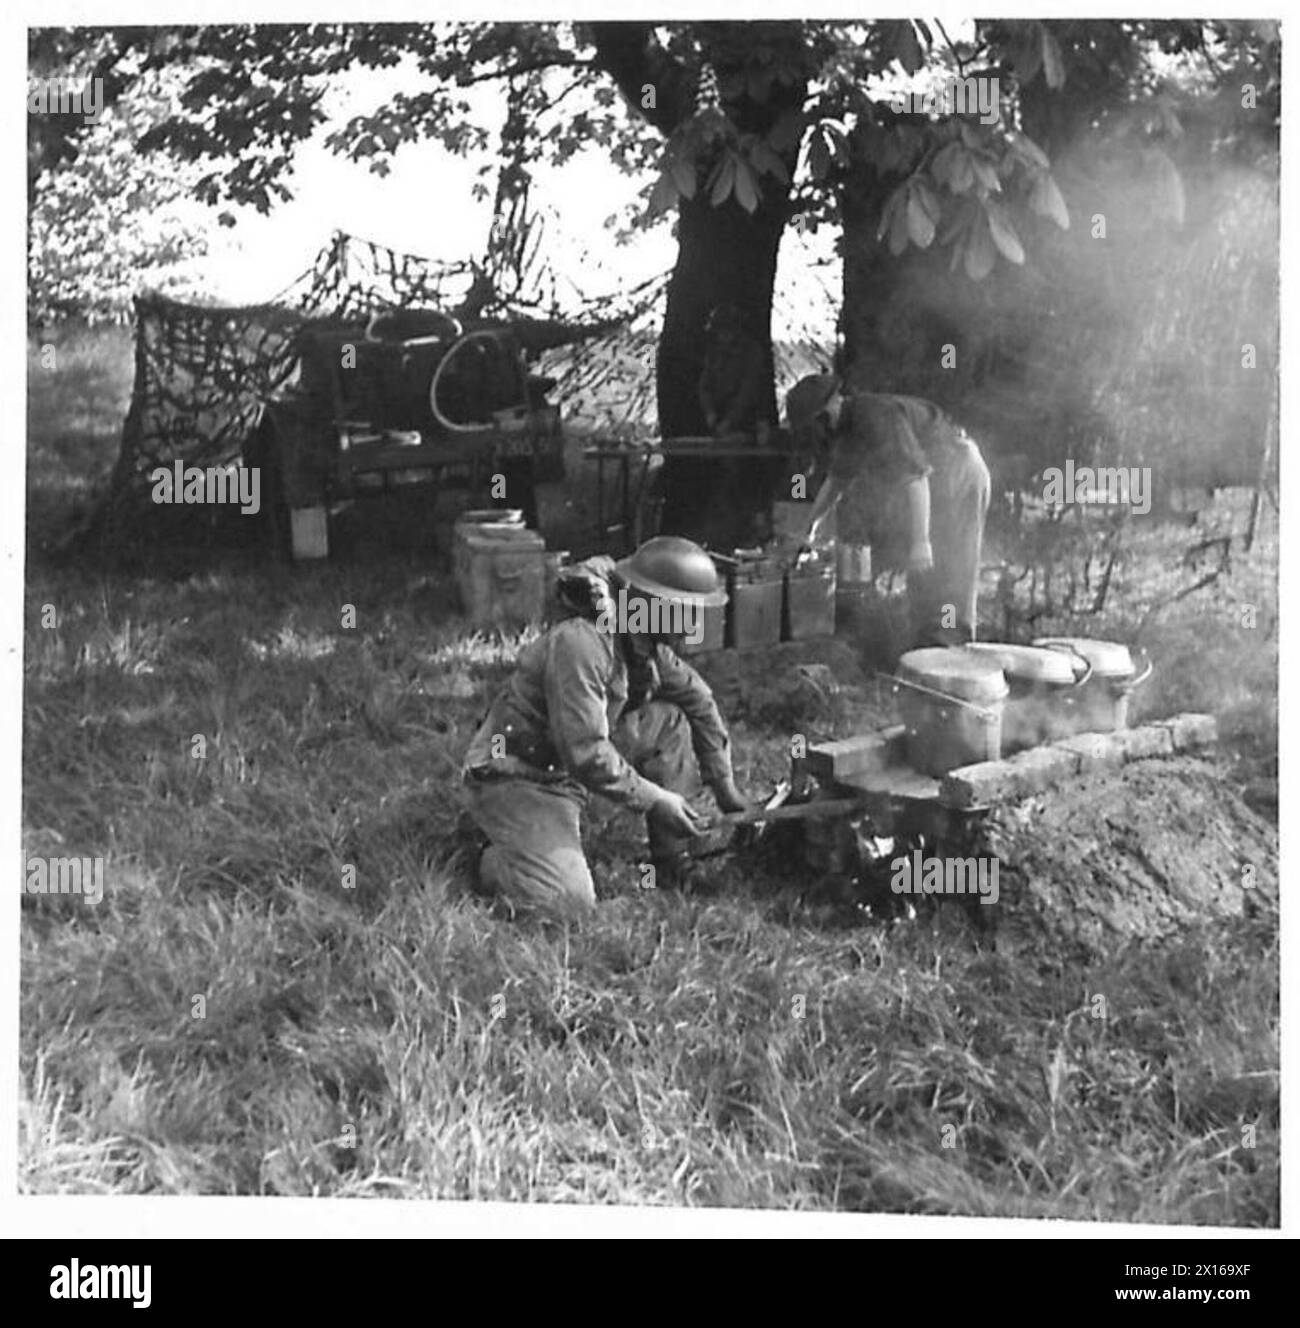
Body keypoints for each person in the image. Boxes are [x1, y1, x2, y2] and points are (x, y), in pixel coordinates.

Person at [460, 536, 750, 920]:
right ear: (654, 605)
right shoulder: (582, 644)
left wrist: (726, 788)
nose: (693, 625)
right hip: (522, 774)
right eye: (687, 612)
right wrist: (658, 799)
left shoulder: (640, 637)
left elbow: (698, 698)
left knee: (670, 721)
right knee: (568, 903)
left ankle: (671, 860)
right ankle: (488, 852)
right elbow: (585, 753)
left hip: (569, 765)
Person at [785, 373, 991, 648]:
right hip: (933, 481)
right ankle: (927, 644)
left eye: (816, 422)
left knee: (951, 567)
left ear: (830, 407)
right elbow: (836, 482)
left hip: (957, 471)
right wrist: (807, 530)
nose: (817, 431)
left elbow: (914, 477)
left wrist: (920, 542)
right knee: (923, 576)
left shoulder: (874, 416)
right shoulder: (844, 431)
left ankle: (953, 651)